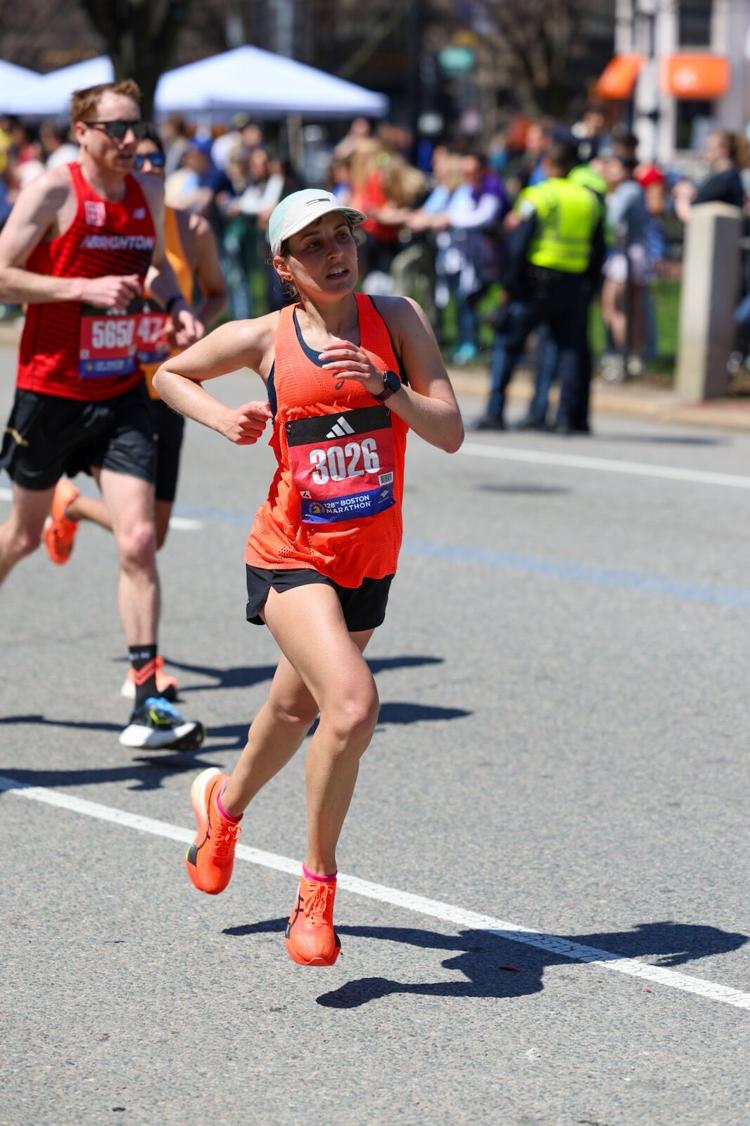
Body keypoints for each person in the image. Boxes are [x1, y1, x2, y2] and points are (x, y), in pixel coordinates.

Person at [152, 188, 464, 966]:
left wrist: (388, 388)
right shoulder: (264, 337)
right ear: (285, 267)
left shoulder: (398, 320)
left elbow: (449, 431)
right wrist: (222, 418)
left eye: (341, 235)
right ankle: (317, 890)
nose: (335, 253)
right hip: (290, 553)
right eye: (313, 244)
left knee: (294, 708)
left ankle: (222, 808)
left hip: (369, 559)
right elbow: (169, 375)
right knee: (351, 707)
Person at [0, 79, 205, 751]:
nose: (129, 140)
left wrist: (177, 307)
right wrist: (80, 287)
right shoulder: (52, 192)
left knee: (139, 539)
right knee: (22, 538)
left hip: (120, 392)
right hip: (50, 391)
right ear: (82, 133)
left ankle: (149, 700)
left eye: (135, 127)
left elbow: (158, 270)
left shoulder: (147, 190)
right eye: (114, 128)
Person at [42, 126, 228, 701]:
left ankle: (71, 505)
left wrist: (190, 323)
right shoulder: (110, 224)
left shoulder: (191, 228)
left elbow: (217, 292)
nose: (144, 169)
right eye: (136, 160)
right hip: (116, 388)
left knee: (156, 534)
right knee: (140, 538)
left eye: (154, 160)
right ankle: (145, 666)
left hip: (168, 386)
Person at [476, 139, 606, 432]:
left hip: (534, 284)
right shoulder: (588, 199)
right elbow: (599, 248)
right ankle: (565, 418)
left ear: (547, 165)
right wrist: (590, 285)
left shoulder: (538, 196)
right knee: (569, 350)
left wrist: (508, 285)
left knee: (508, 344)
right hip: (572, 284)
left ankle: (495, 412)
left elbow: (518, 244)